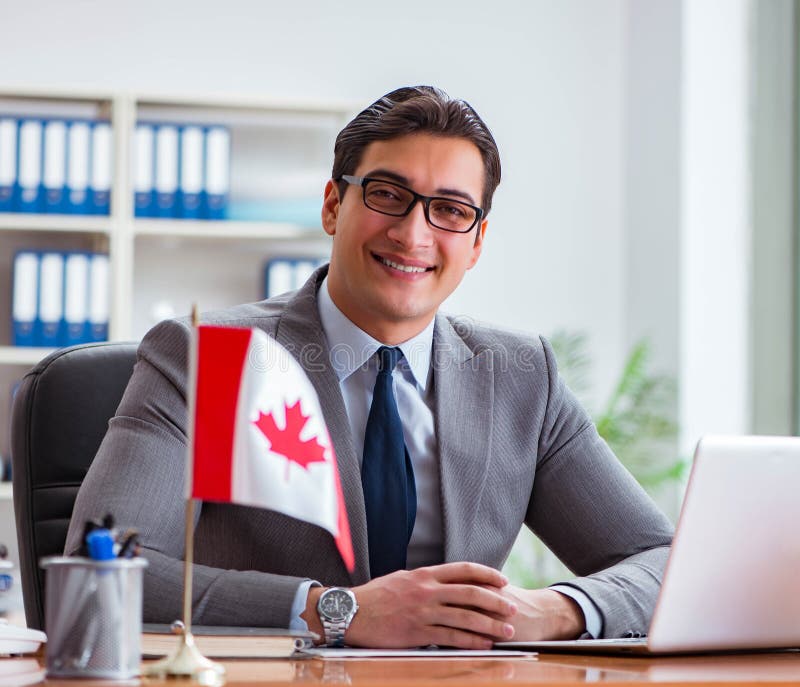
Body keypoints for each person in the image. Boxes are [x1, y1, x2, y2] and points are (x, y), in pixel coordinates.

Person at [66, 85, 673, 649]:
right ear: (334, 206)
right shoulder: (211, 357)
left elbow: (661, 559)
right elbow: (103, 568)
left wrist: (554, 610)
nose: (413, 234)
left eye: (450, 210)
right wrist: (335, 611)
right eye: (387, 195)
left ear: (477, 242)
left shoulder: (519, 376)